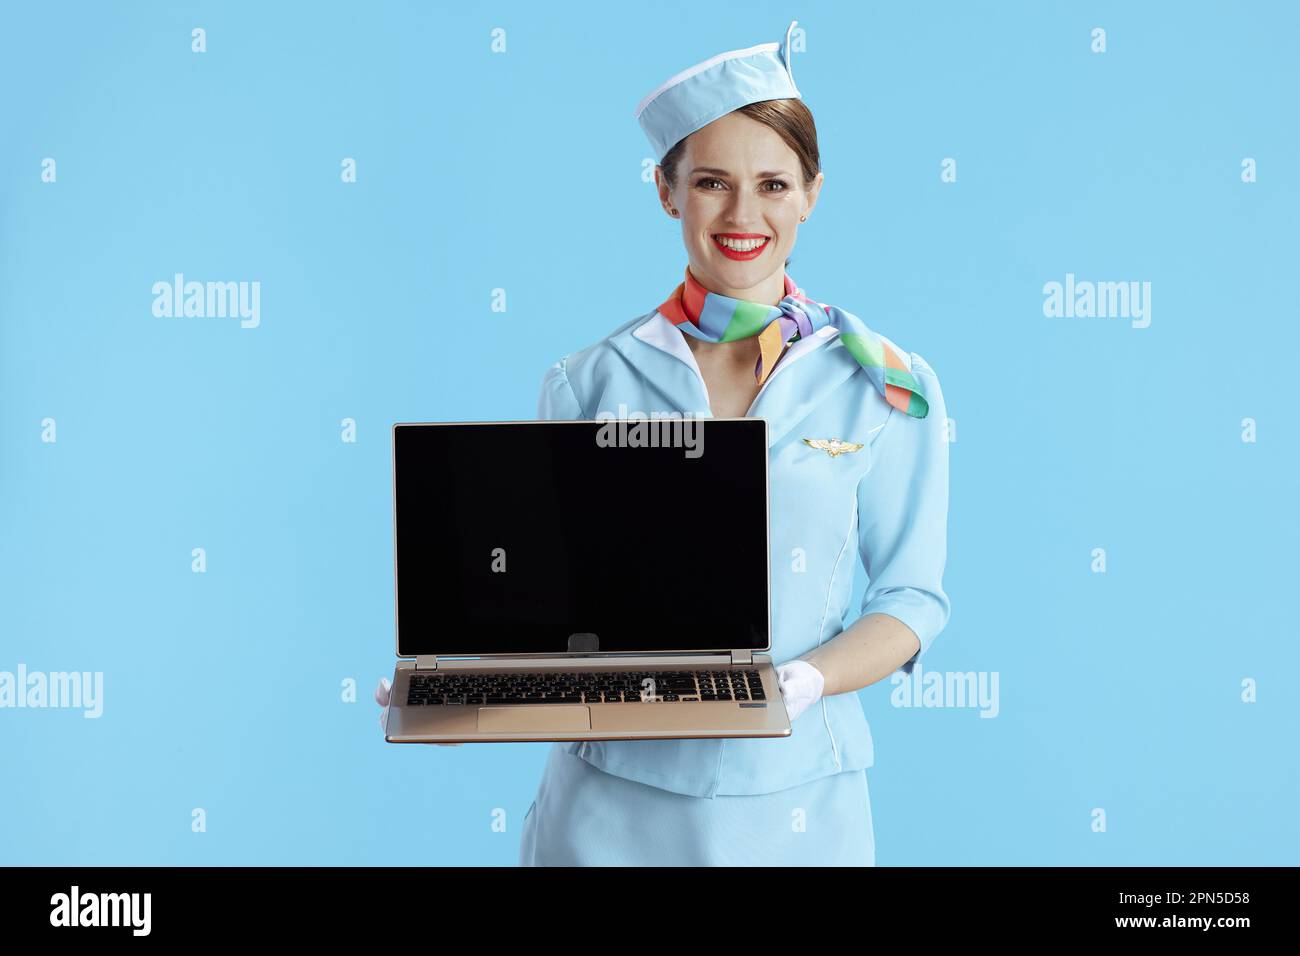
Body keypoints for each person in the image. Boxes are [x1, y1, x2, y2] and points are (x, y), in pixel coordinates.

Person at [377, 19, 951, 866]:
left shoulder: (886, 387)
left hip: (800, 806)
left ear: (813, 193)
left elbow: (912, 601)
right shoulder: (589, 382)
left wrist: (806, 679)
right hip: (612, 806)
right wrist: (460, 699)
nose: (744, 215)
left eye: (774, 184)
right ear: (665, 190)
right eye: (712, 182)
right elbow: (541, 614)